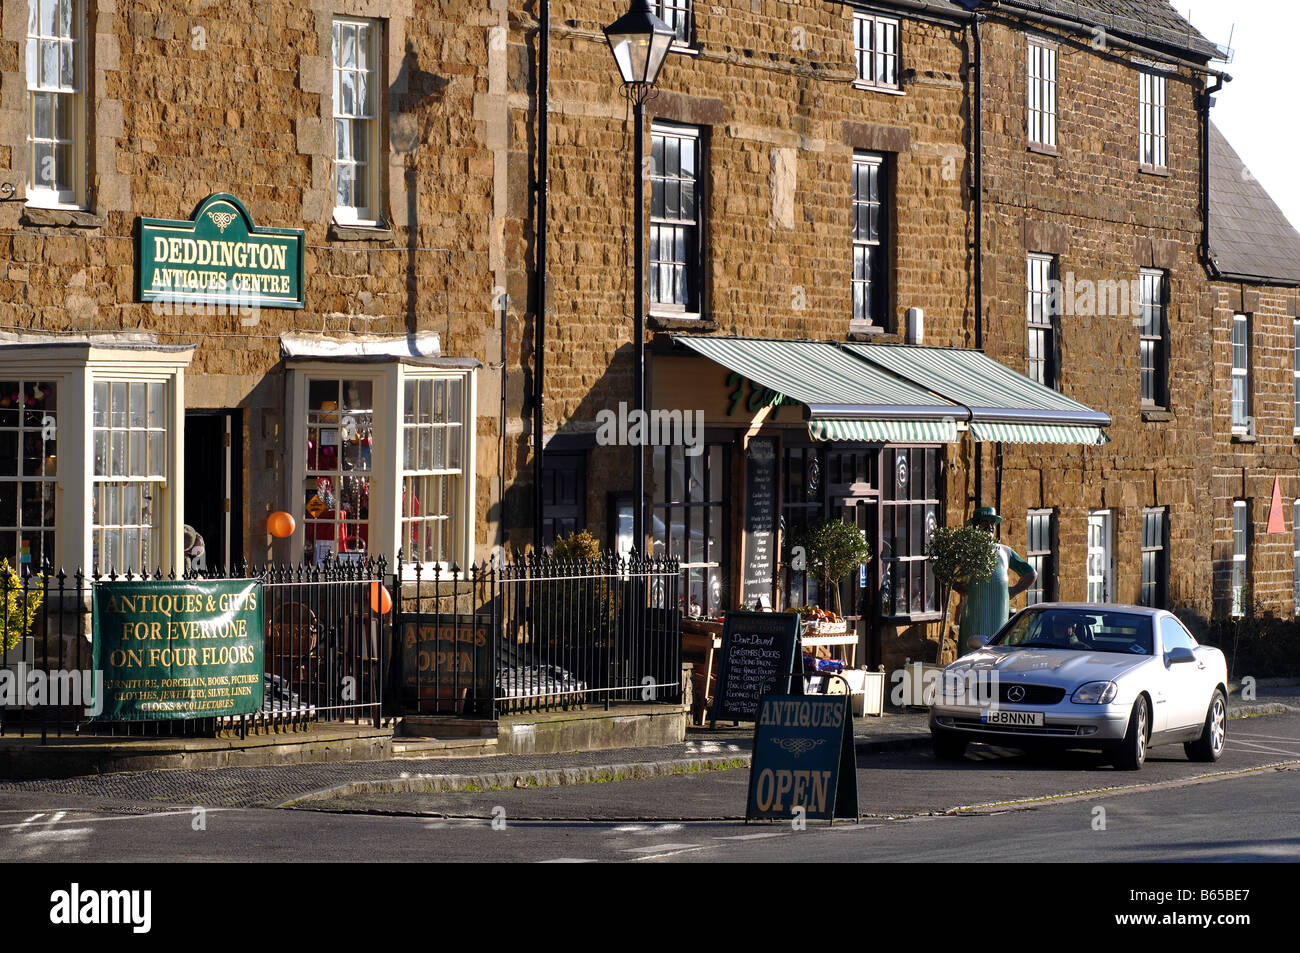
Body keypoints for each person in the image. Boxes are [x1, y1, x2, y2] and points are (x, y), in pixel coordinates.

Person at [953, 507, 1036, 655]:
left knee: (996, 655)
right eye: (985, 522)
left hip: (1000, 616)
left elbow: (1031, 573)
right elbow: (943, 572)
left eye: (993, 523)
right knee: (969, 654)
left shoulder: (1005, 552)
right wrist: (956, 585)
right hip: (973, 615)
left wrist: (1014, 590)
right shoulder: (966, 551)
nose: (990, 526)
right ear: (976, 526)